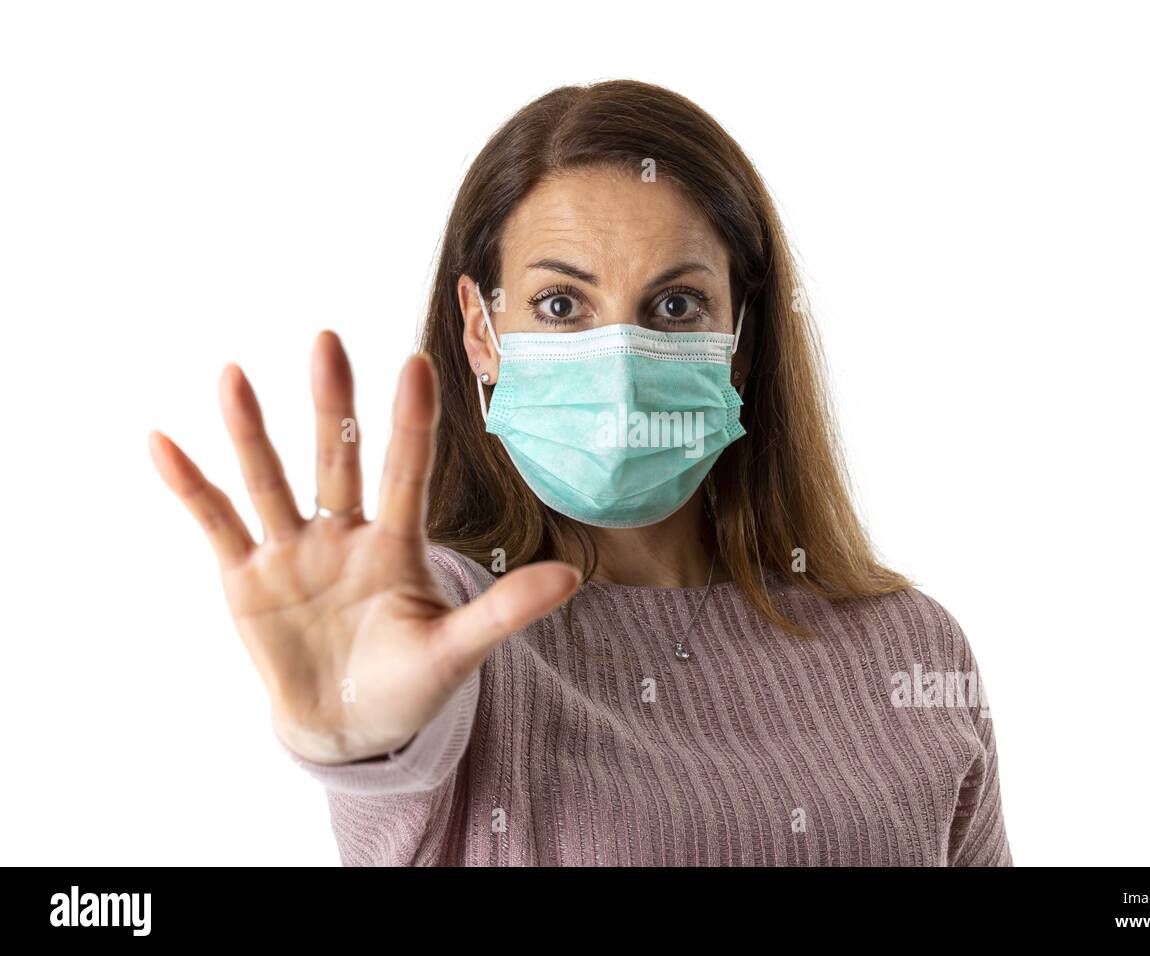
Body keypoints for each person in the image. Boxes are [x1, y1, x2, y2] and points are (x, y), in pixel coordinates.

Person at [149, 80, 1012, 866]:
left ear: (741, 339)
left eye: (676, 305)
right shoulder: (450, 623)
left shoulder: (912, 647)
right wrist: (356, 724)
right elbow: (396, 716)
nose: (622, 367)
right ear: (481, 332)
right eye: (562, 306)